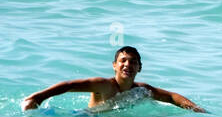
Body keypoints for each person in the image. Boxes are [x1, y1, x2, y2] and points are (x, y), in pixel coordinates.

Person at [23, 45, 206, 112]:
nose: (128, 65)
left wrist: (195, 108)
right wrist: (38, 98)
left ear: (139, 68)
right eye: (123, 61)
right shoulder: (102, 85)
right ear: (114, 65)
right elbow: (69, 85)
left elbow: (171, 97)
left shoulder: (141, 90)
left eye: (133, 62)